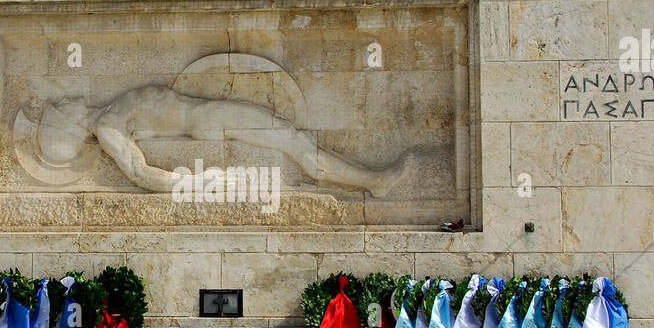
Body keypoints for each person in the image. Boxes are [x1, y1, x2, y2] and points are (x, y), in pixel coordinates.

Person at [36, 86, 417, 198]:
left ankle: (372, 181)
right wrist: (199, 183)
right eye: (61, 106)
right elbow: (139, 172)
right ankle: (374, 182)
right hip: (209, 119)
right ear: (70, 123)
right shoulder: (107, 127)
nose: (65, 97)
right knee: (294, 141)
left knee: (293, 140)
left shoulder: (109, 110)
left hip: (209, 114)